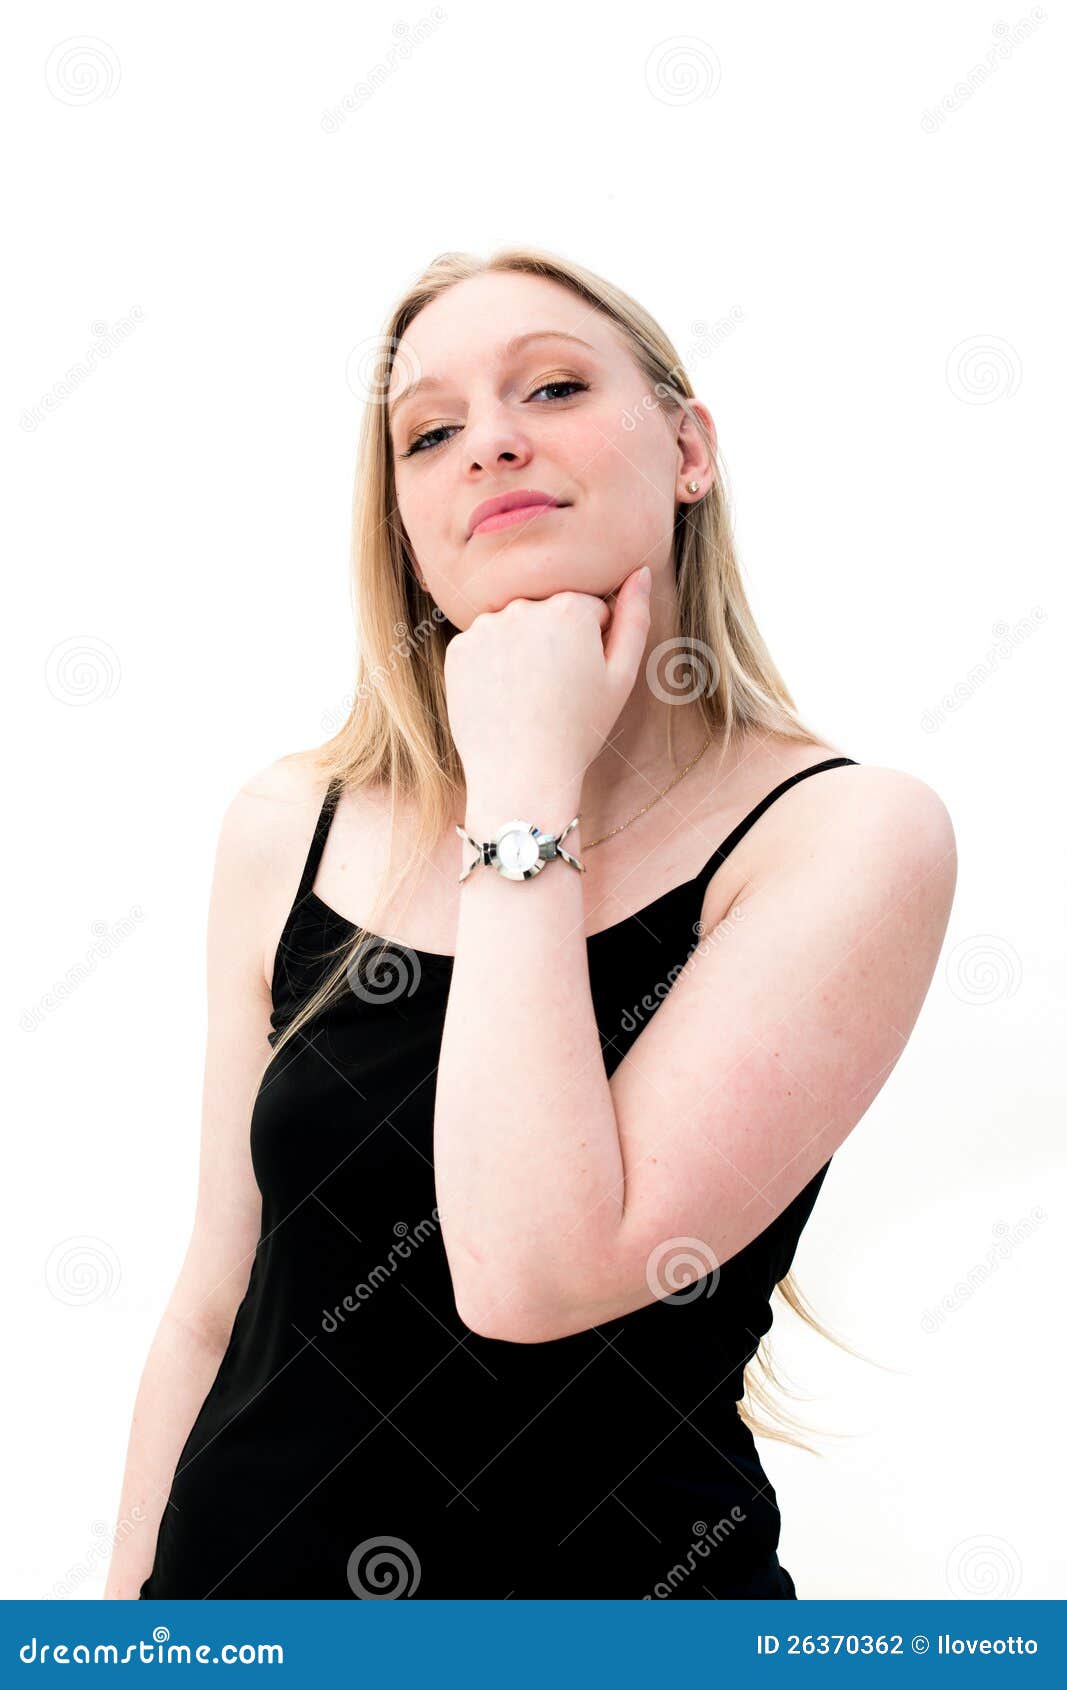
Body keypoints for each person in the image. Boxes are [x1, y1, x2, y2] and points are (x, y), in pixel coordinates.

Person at [108, 247, 956, 1600]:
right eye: (429, 433)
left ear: (689, 450)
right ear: (405, 524)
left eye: (552, 387)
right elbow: (214, 1305)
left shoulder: (846, 836)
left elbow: (531, 1277)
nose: (490, 444)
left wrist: (520, 784)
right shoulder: (290, 825)